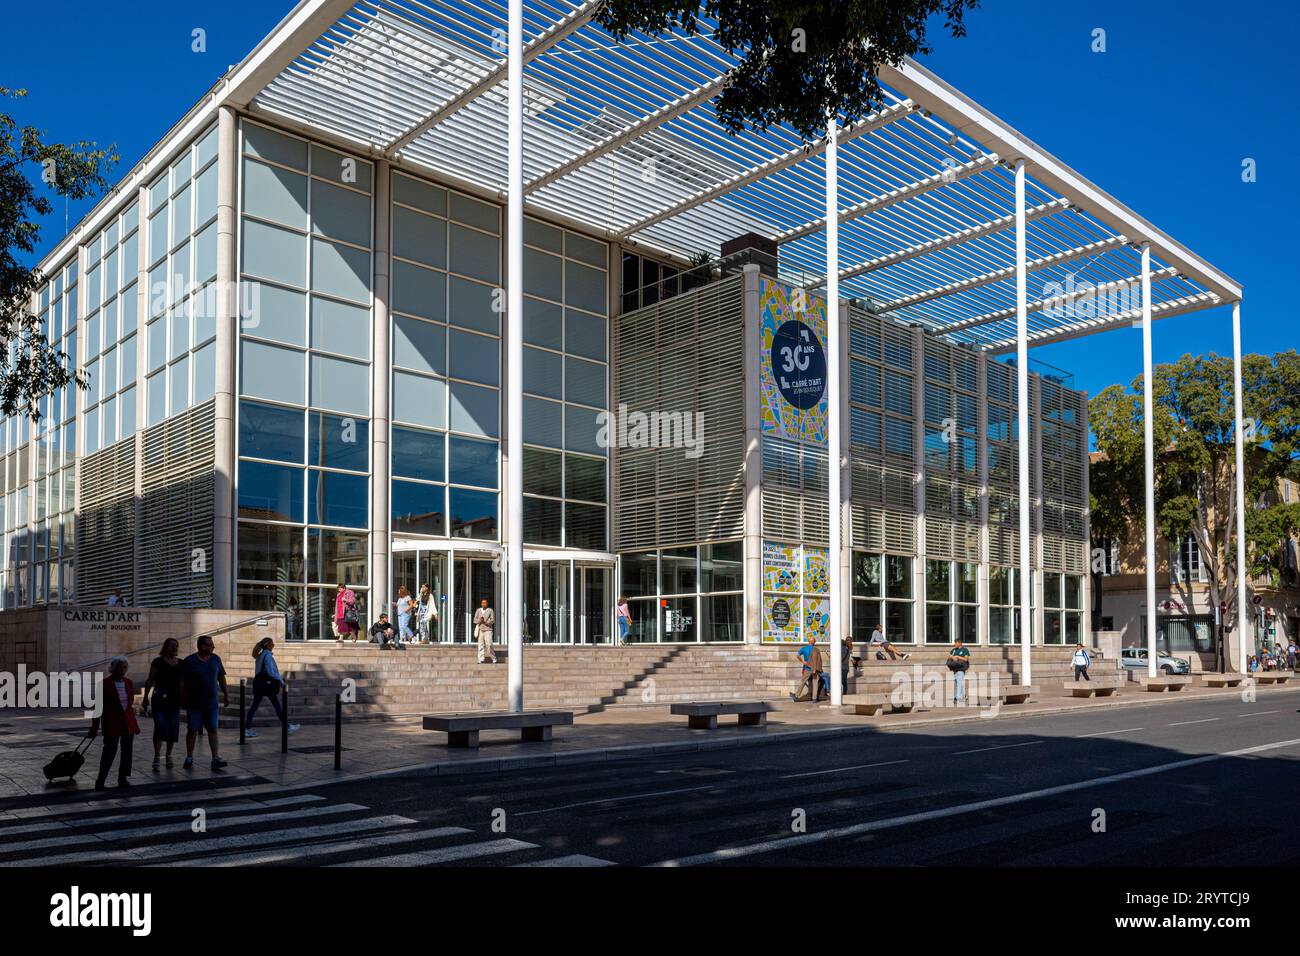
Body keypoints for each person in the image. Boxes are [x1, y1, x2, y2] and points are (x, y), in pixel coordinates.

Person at [87, 656, 140, 790]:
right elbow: (98, 707)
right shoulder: (104, 684)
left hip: (128, 723)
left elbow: (129, 705)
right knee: (109, 752)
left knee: (127, 752)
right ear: (113, 668)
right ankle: (101, 780)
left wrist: (135, 724)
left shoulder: (128, 682)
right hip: (112, 723)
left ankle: (122, 778)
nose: (122, 670)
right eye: (119, 667)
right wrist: (94, 726)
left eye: (124, 667)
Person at [181, 635, 229, 771]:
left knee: (213, 730)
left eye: (212, 645)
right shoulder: (190, 661)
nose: (212, 647)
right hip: (194, 703)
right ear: (201, 646)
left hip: (211, 703)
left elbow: (221, 677)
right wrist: (182, 698)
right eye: (210, 645)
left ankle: (215, 758)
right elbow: (183, 682)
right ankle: (189, 757)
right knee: (192, 730)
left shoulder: (215, 659)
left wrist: (226, 694)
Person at [244, 638, 300, 738]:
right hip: (267, 685)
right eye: (272, 643)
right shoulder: (267, 655)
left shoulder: (260, 655)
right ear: (268, 645)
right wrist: (281, 681)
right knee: (277, 706)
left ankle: (247, 728)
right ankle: (288, 726)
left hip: (260, 684)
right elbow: (270, 672)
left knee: (254, 707)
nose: (273, 645)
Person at [141, 638, 182, 771]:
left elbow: (184, 682)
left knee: (173, 726)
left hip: (175, 698)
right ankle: (157, 756)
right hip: (160, 697)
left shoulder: (181, 663)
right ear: (165, 647)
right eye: (171, 646)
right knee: (160, 725)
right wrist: (145, 698)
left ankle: (168, 755)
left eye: (176, 646)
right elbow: (150, 680)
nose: (174, 648)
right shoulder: (158, 662)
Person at [790, 634, 824, 703]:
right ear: (814, 642)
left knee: (803, 681)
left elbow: (798, 655)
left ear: (808, 641)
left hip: (807, 668)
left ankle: (796, 695)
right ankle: (814, 699)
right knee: (815, 683)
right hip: (815, 669)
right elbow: (819, 660)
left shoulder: (804, 648)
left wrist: (803, 661)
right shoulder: (817, 650)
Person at [947, 636, 971, 704]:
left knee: (959, 682)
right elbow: (949, 656)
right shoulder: (954, 650)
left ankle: (958, 697)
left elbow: (966, 659)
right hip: (955, 668)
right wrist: (952, 657)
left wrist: (958, 657)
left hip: (961, 668)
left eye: (956, 643)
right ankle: (964, 695)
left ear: (960, 643)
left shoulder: (965, 650)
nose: (954, 644)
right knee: (958, 682)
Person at [474, 599, 497, 663]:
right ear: (481, 604)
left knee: (489, 644)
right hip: (480, 630)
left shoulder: (490, 610)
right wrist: (480, 621)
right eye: (482, 603)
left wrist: (485, 622)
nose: (483, 604)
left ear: (487, 604)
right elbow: (474, 620)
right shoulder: (478, 610)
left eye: (485, 603)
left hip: (488, 630)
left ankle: (493, 658)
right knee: (480, 645)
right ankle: (481, 659)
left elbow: (493, 620)